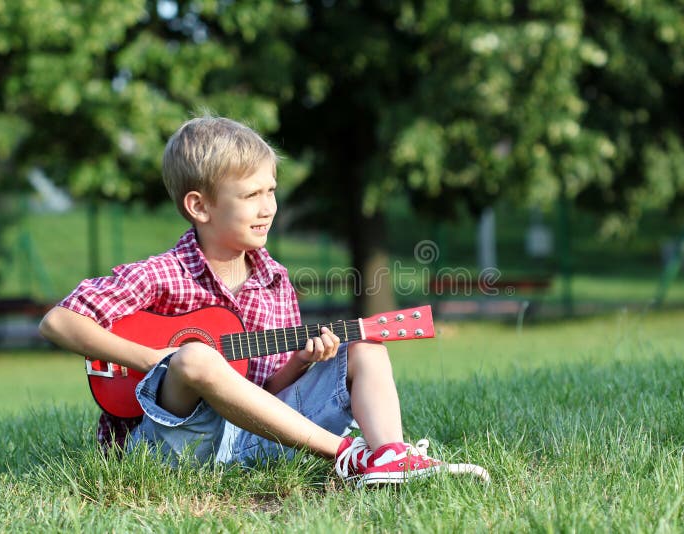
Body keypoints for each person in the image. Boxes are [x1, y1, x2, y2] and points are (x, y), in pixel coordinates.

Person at [39, 116, 489, 486]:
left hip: (253, 442)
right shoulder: (161, 274)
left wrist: (298, 363)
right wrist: (158, 360)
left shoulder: (276, 282)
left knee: (365, 346)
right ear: (200, 207)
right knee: (194, 358)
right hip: (173, 447)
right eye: (251, 195)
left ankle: (389, 457)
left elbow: (261, 395)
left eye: (270, 191)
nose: (268, 207)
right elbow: (58, 323)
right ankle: (349, 455)